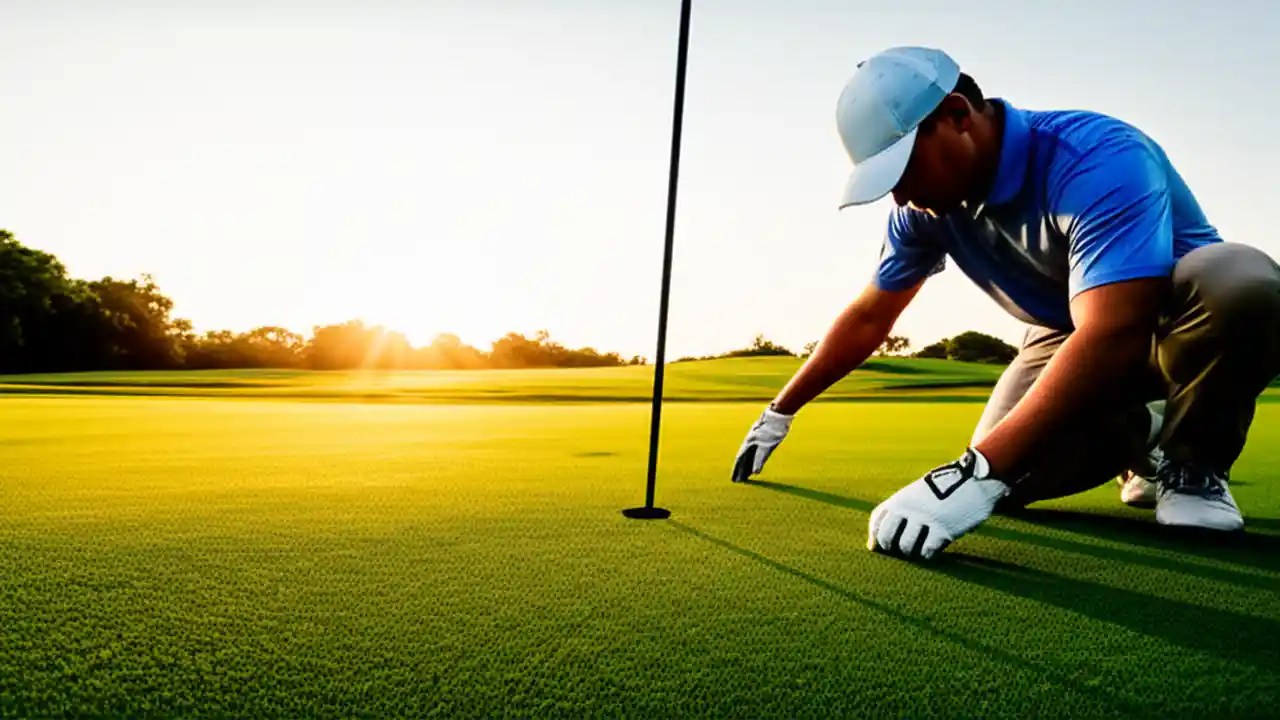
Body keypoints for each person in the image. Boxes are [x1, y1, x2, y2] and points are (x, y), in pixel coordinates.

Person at [730, 46, 1280, 561]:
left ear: (957, 114)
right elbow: (872, 315)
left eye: (902, 168)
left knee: (1242, 283)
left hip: (1176, 314)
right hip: (1066, 330)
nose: (896, 195)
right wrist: (780, 410)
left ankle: (1195, 463)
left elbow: (1115, 329)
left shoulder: (1095, 155)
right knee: (1022, 473)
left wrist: (975, 474)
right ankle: (1147, 437)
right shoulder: (923, 211)